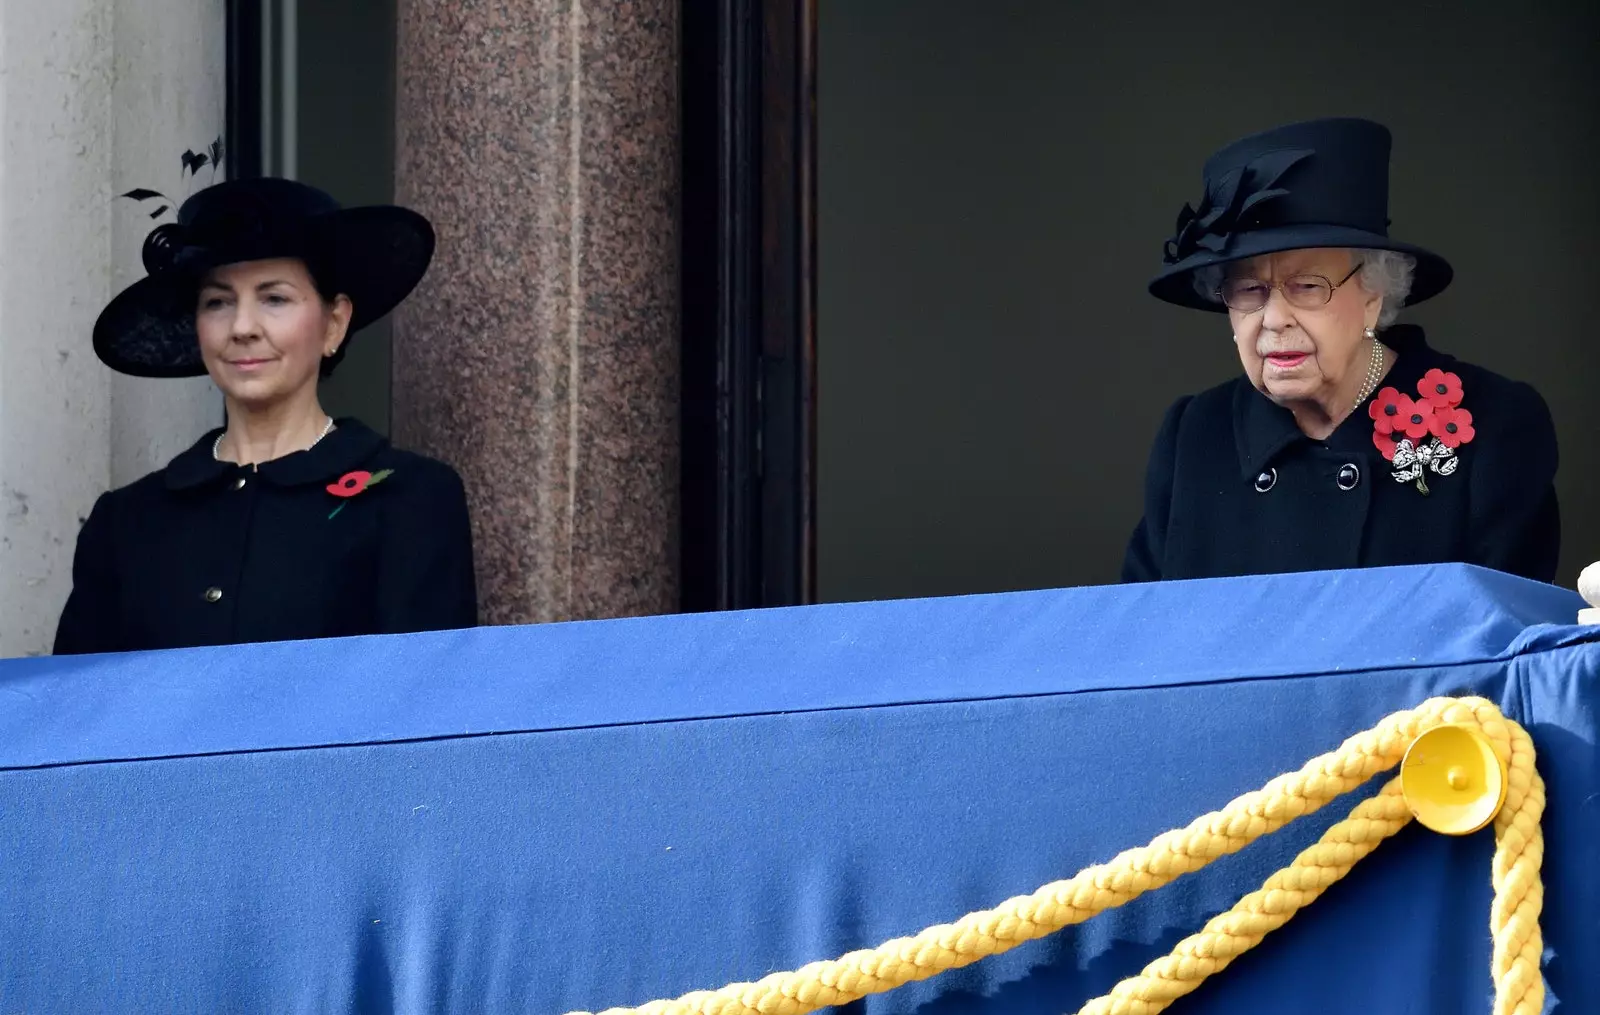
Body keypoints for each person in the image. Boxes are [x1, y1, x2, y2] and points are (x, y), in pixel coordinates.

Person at [1124, 118, 1559, 583]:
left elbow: (1505, 643)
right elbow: (1143, 638)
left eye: (1307, 286)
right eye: (1249, 289)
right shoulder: (1193, 436)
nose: (1273, 319)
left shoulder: (1494, 424)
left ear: (1375, 295)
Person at [54, 178, 478, 654]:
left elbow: (426, 704)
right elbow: (80, 713)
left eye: (274, 298)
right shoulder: (126, 521)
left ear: (334, 323)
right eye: (218, 302)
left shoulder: (410, 498)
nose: (242, 328)